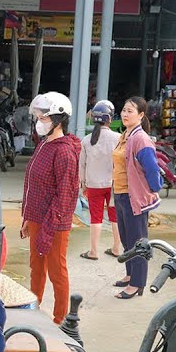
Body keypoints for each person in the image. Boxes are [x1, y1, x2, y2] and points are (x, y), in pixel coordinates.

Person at [20, 92, 80, 324]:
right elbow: (33, 184)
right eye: (39, 117)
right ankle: (33, 308)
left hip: (55, 221)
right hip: (37, 217)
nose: (39, 122)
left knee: (56, 271)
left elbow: (64, 195)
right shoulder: (45, 144)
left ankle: (61, 319)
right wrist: (28, 217)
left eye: (44, 118)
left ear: (58, 120)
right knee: (36, 267)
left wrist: (49, 226)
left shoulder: (64, 152)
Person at [112, 97, 164, 298]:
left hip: (134, 197)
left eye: (130, 111)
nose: (125, 114)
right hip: (121, 193)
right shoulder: (125, 135)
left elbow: (152, 169)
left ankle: (137, 284)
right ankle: (129, 274)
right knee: (126, 238)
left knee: (138, 242)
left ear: (141, 116)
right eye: (124, 110)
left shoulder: (140, 139)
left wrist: (153, 189)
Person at [77, 100, 123, 262]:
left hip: (93, 184)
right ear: (109, 119)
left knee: (95, 218)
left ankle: (93, 251)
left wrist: (82, 184)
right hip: (113, 184)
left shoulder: (86, 140)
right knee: (115, 217)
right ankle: (117, 248)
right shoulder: (118, 138)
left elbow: (81, 165)